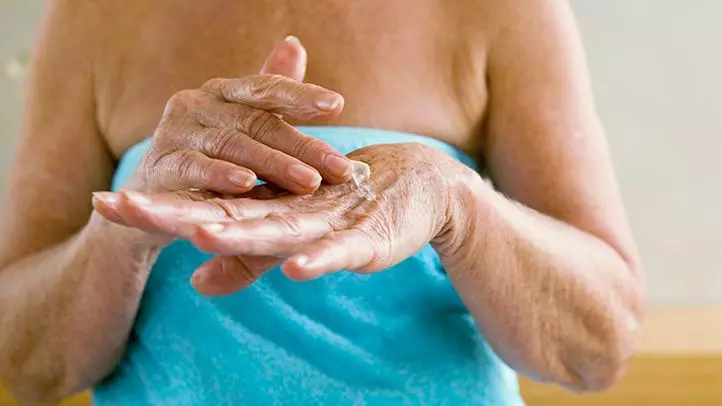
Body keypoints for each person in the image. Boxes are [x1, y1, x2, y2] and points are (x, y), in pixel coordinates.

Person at [0, 0, 645, 404]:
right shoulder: (92, 14)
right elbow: (26, 366)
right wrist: (127, 226)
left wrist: (457, 204)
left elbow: (597, 345)